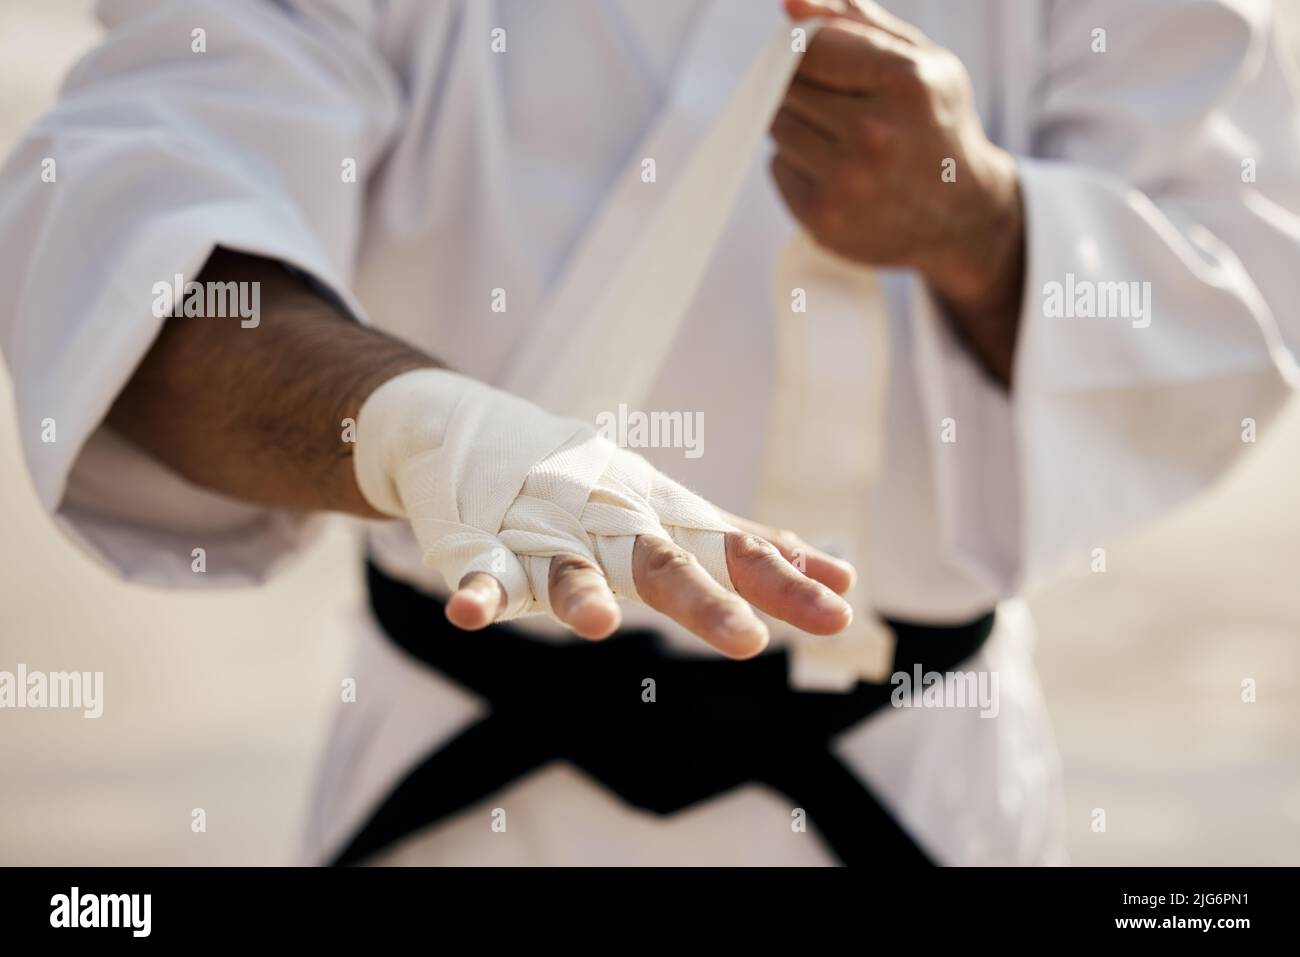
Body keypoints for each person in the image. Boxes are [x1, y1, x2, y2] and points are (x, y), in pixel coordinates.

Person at [1, 0, 1296, 866]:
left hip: (913, 775)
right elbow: (134, 238)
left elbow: (1246, 293)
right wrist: (426, 434)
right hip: (456, 766)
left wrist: (983, 219)